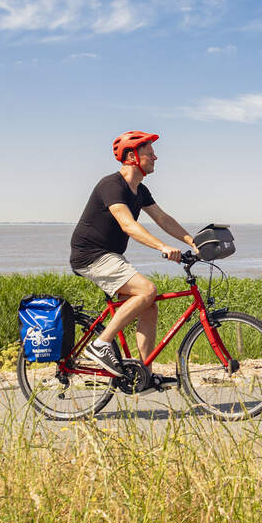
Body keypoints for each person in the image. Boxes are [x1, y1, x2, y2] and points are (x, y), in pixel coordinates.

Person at [69, 130, 197, 376]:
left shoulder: (141, 190)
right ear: (131, 157)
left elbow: (162, 218)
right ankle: (100, 344)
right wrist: (162, 247)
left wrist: (192, 241)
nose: (155, 158)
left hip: (110, 255)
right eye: (150, 154)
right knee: (147, 290)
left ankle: (144, 373)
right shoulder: (111, 185)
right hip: (91, 255)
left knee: (149, 306)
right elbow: (128, 224)